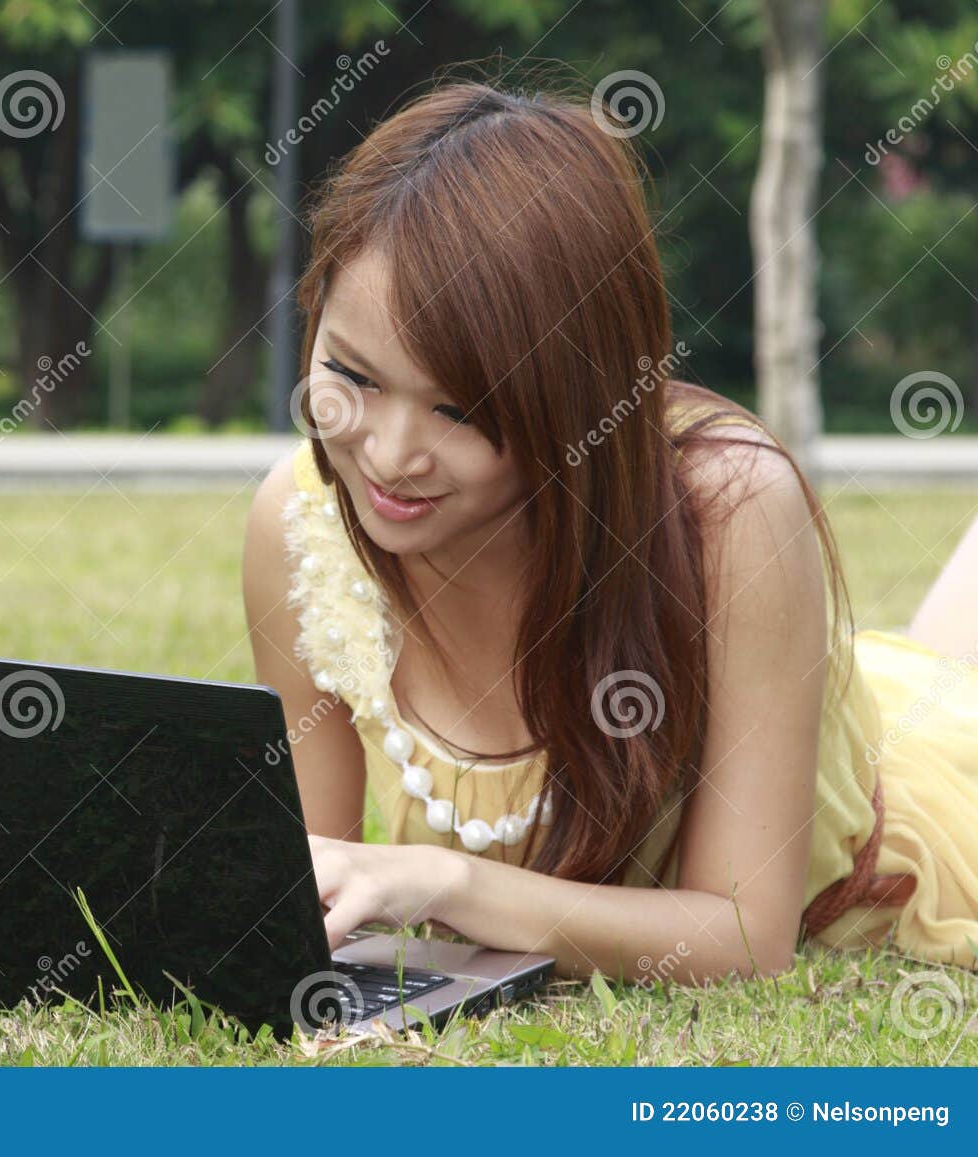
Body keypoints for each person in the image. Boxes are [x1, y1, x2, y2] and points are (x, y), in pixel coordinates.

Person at [242, 80, 978, 983]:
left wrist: (446, 880)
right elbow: (304, 878)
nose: (391, 455)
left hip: (915, 813)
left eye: (462, 408)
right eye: (352, 375)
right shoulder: (300, 522)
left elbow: (744, 937)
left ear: (577, 391)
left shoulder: (731, 509)